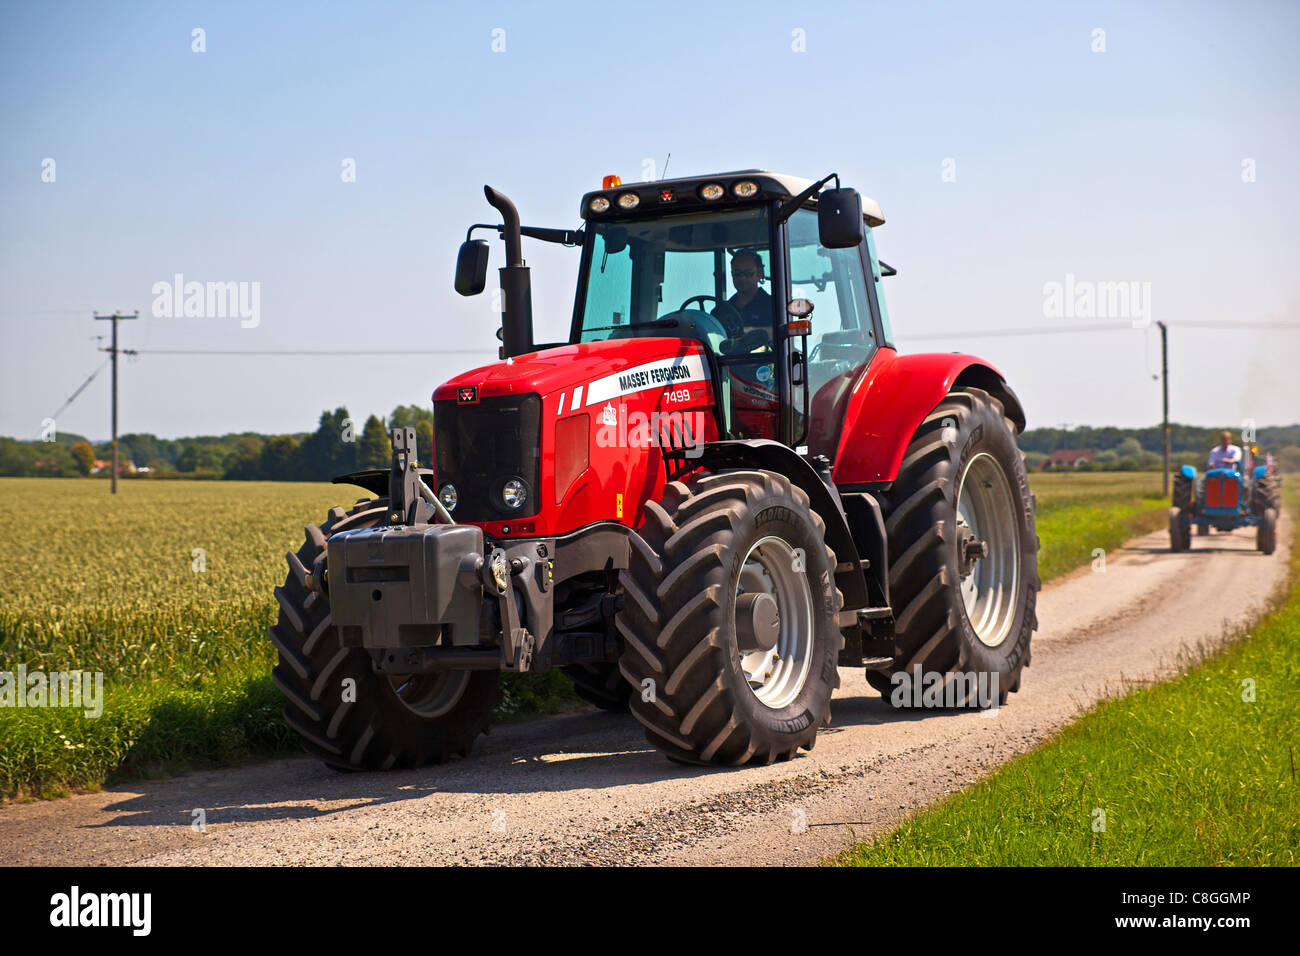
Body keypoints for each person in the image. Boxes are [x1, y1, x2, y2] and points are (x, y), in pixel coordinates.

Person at [725, 248, 772, 334]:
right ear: (732, 275)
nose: (742, 278)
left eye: (748, 273)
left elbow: (780, 331)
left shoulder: (774, 307)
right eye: (737, 274)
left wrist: (749, 332)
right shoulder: (721, 311)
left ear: (759, 275)